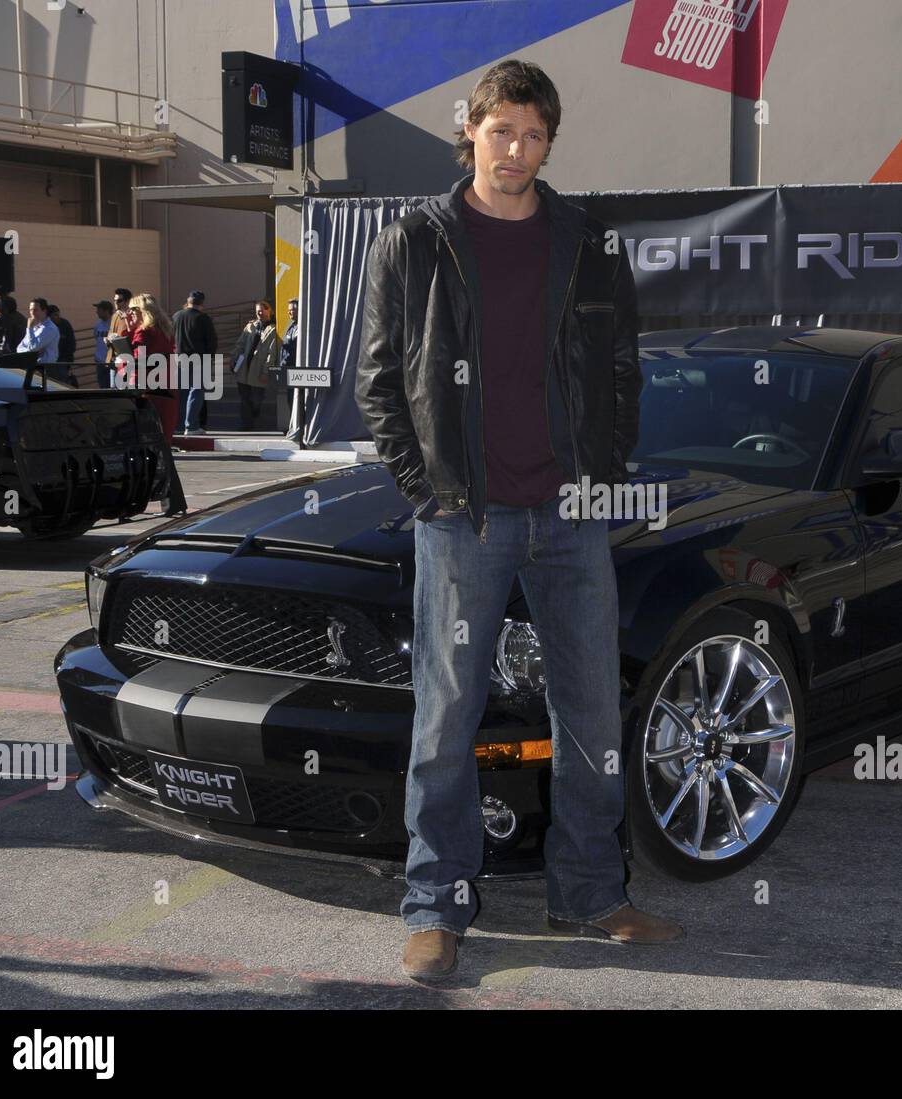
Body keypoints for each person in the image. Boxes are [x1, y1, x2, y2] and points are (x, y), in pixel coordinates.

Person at [355, 59, 676, 984]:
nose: (517, 150)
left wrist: (603, 476)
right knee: (445, 716)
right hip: (465, 517)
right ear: (473, 132)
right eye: (503, 131)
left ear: (548, 143)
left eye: (535, 135)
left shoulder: (587, 242)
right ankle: (436, 906)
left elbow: (621, 372)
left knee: (589, 713)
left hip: (572, 515)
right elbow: (379, 383)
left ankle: (589, 891)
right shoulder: (415, 241)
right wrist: (427, 487)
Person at [122, 293, 179, 445]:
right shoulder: (165, 330)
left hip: (146, 389)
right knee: (163, 437)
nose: (129, 313)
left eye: (132, 309)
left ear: (141, 311)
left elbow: (133, 361)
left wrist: (127, 332)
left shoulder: (143, 332)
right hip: (167, 387)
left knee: (145, 438)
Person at [172, 289, 218, 435]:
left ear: (188, 300)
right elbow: (212, 341)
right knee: (196, 392)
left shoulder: (176, 316)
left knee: (181, 393)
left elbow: (170, 336)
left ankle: (178, 426)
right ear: (202, 304)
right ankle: (191, 426)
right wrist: (209, 356)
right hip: (198, 359)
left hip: (179, 359)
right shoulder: (203, 319)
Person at [231, 299, 279, 431]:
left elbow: (272, 353)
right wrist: (234, 360)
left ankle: (254, 415)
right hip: (244, 368)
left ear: (270, 311)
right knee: (244, 399)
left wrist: (266, 371)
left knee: (257, 400)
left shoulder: (273, 329)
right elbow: (240, 345)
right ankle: (246, 424)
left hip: (258, 370)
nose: (260, 313)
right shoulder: (250, 326)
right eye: (257, 311)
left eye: (262, 310)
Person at [278, 297, 304, 442]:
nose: (290, 313)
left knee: (298, 400)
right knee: (290, 399)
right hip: (287, 370)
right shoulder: (291, 326)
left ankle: (300, 426)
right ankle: (293, 426)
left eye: (293, 310)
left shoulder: (304, 326)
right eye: (289, 311)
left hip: (298, 370)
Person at [16, 298, 60, 372]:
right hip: (32, 367)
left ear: (44, 311)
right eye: (30, 310)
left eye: (35, 310)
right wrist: (31, 352)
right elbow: (19, 348)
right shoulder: (34, 327)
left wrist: (29, 328)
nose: (32, 313)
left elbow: (33, 347)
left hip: (45, 369)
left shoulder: (50, 328)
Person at [46, 304, 77, 385]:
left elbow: (71, 343)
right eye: (55, 315)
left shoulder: (65, 324)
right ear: (49, 316)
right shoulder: (46, 326)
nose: (58, 317)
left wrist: (67, 359)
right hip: (50, 361)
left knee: (62, 382)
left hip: (62, 360)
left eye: (58, 314)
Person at [91, 300, 113, 388]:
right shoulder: (98, 324)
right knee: (102, 386)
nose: (97, 312)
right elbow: (96, 337)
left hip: (111, 362)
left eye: (99, 310)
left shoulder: (113, 323)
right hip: (100, 361)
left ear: (106, 311)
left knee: (111, 387)